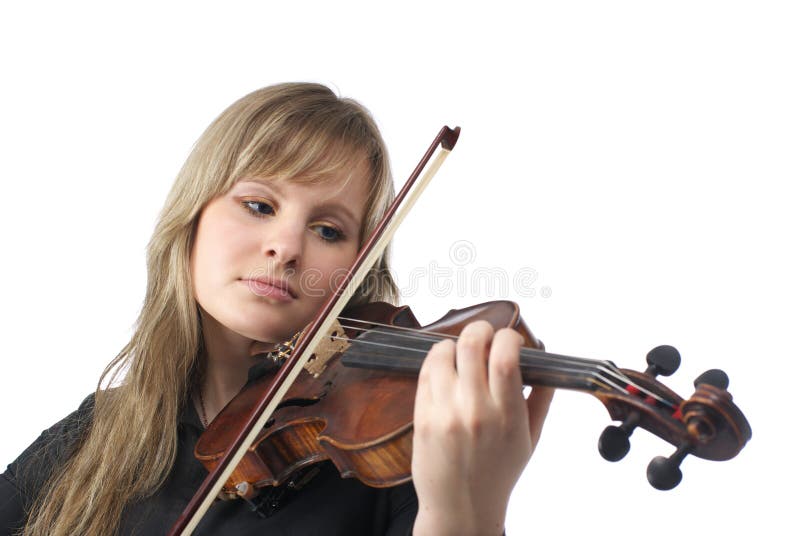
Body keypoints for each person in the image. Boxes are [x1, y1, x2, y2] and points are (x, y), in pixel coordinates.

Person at [0, 82, 553, 535]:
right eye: (259, 205)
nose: (287, 248)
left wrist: (463, 519)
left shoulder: (399, 475)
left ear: (354, 268)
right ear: (192, 219)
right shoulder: (94, 438)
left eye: (328, 229)